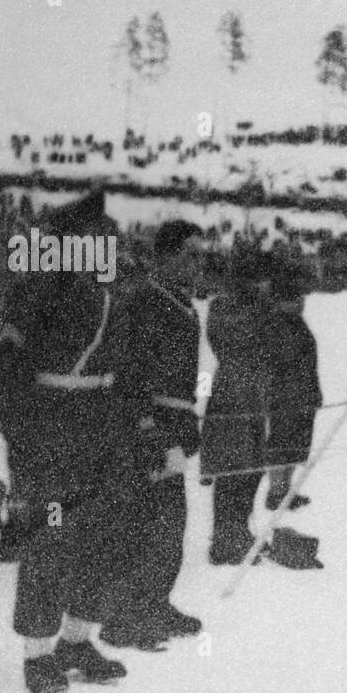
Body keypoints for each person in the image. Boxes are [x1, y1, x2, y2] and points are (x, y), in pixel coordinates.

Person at [0, 189, 138, 693]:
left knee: (100, 536)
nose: (108, 242)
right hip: (48, 430)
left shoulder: (108, 290)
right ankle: (38, 654)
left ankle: (77, 642)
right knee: (50, 539)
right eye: (100, 235)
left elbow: (122, 368)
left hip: (100, 427)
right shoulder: (38, 286)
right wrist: (22, 435)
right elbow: (8, 371)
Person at [102, 220, 204, 647]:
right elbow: (128, 370)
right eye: (190, 253)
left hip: (173, 424)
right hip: (146, 426)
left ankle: (155, 603)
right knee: (142, 522)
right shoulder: (143, 300)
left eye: (201, 254)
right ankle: (123, 618)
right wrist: (145, 426)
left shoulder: (181, 303)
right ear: (165, 256)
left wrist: (187, 424)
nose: (198, 262)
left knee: (169, 521)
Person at [201, 251, 274, 565]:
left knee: (244, 466)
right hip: (242, 388)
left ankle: (232, 534)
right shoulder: (248, 307)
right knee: (240, 467)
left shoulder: (224, 306)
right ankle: (228, 539)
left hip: (238, 386)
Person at [264, 260, 322, 512]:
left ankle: (285, 490)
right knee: (281, 446)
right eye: (296, 298)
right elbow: (285, 360)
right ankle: (276, 491)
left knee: (294, 446)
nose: (302, 302)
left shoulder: (295, 323)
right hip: (286, 395)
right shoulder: (279, 324)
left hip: (301, 394)